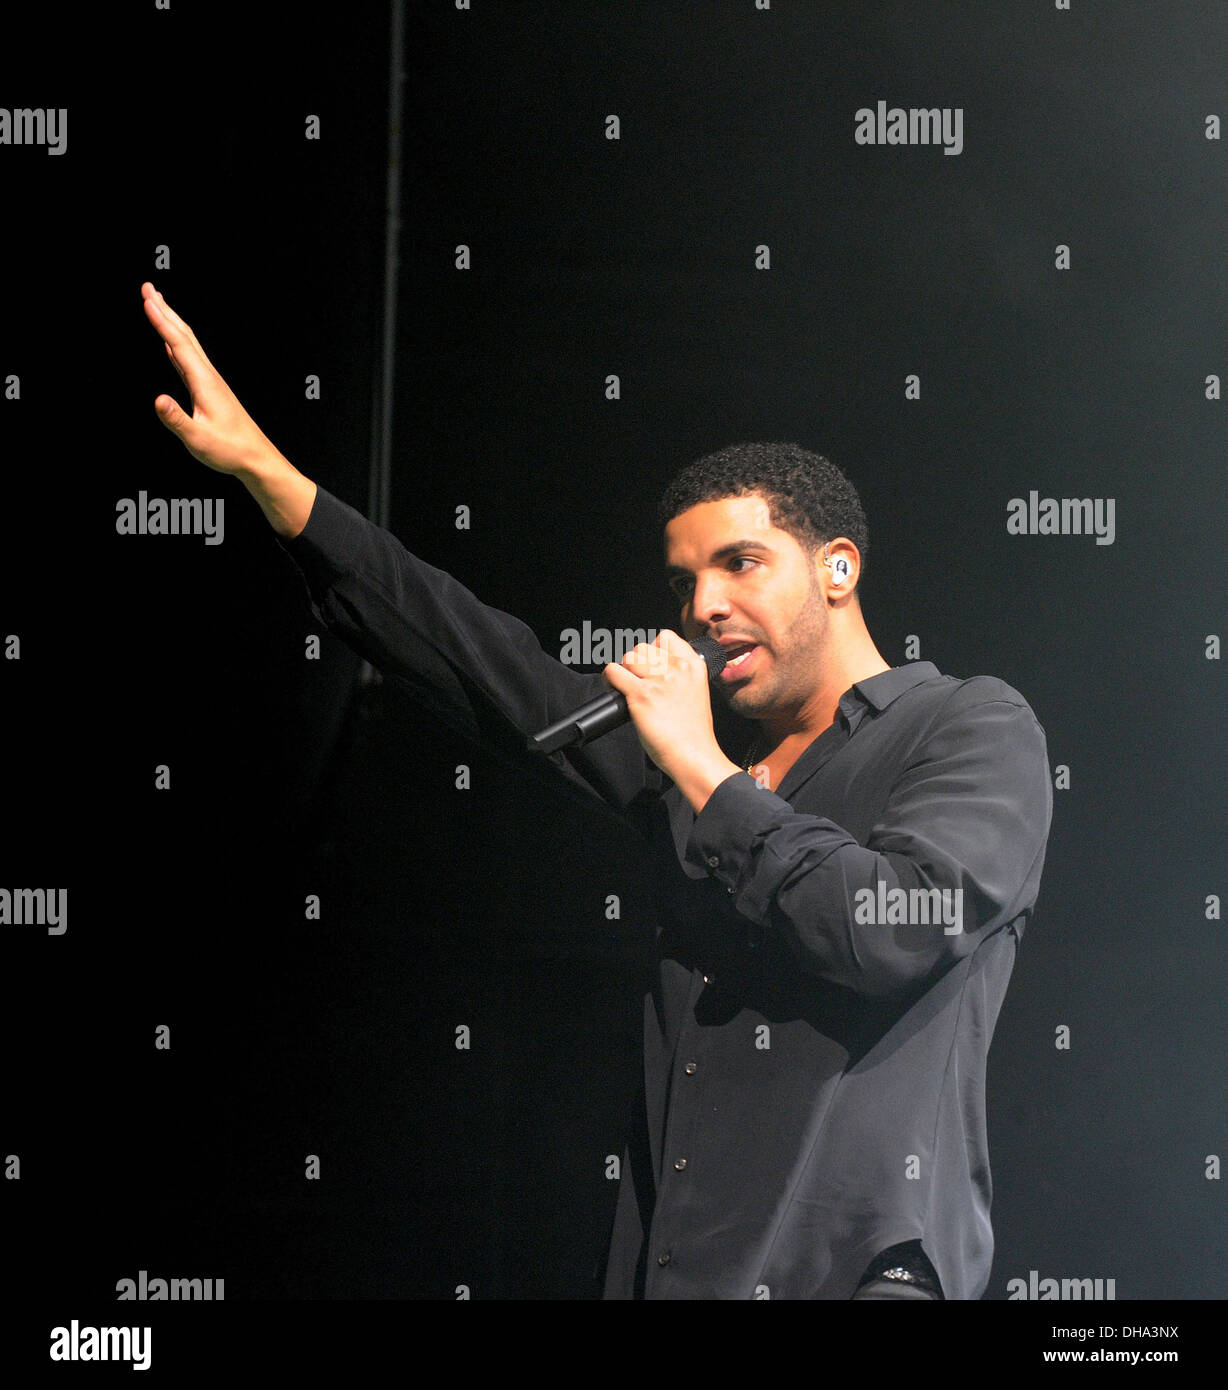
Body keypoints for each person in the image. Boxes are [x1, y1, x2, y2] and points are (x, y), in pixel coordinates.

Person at [141, 281, 1053, 1300]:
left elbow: (888, 928)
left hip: (856, 1277)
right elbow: (486, 665)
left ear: (836, 567)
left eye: (740, 564)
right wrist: (273, 479)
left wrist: (705, 771)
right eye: (683, 583)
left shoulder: (969, 724)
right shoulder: (689, 762)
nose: (705, 605)